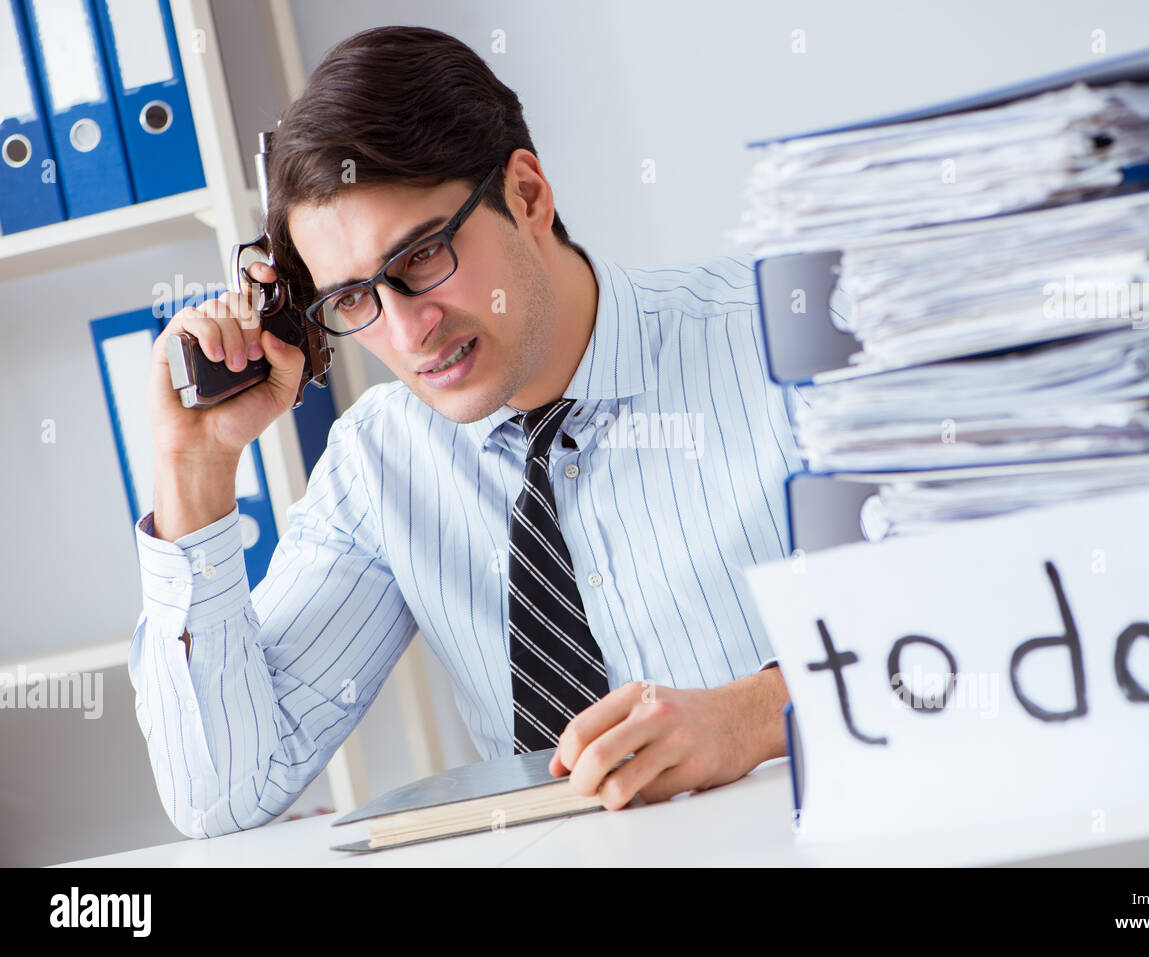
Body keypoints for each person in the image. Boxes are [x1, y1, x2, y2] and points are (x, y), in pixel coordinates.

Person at [132, 25, 802, 838]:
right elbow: (223, 791)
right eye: (351, 300)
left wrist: (755, 715)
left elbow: (980, 609)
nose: (407, 331)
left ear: (527, 194)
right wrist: (194, 471)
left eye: (418, 258)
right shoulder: (382, 462)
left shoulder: (785, 343)